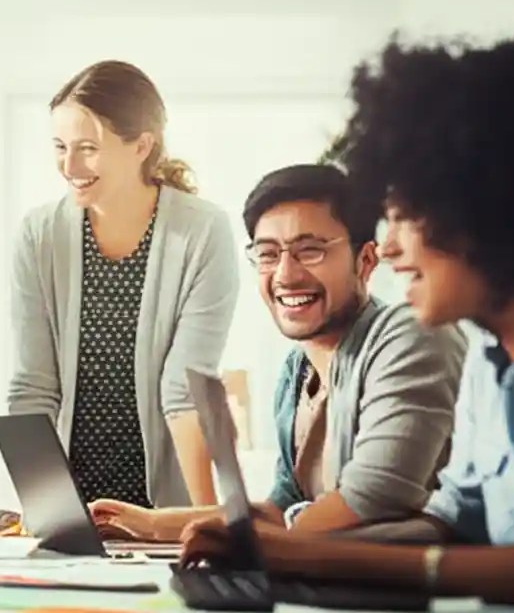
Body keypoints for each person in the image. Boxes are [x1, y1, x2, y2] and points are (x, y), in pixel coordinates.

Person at [181, 31, 514, 613]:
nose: (388, 249)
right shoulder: (487, 369)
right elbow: (448, 522)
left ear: (489, 206)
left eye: (405, 217)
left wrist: (303, 554)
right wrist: (279, 549)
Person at [91, 164, 466, 540]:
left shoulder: (411, 336)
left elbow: (370, 501)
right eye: (268, 254)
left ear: (365, 261)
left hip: (413, 575)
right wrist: (151, 524)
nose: (285, 275)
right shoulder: (296, 371)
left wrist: (245, 544)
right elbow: (280, 509)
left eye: (310, 251)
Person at [9, 60, 239, 510]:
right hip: (70, 506)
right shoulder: (39, 234)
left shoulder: (202, 231)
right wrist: (43, 513)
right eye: (60, 146)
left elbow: (185, 388)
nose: (69, 165)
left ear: (142, 146)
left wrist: (201, 517)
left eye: (88, 148)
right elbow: (33, 387)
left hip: (165, 507)